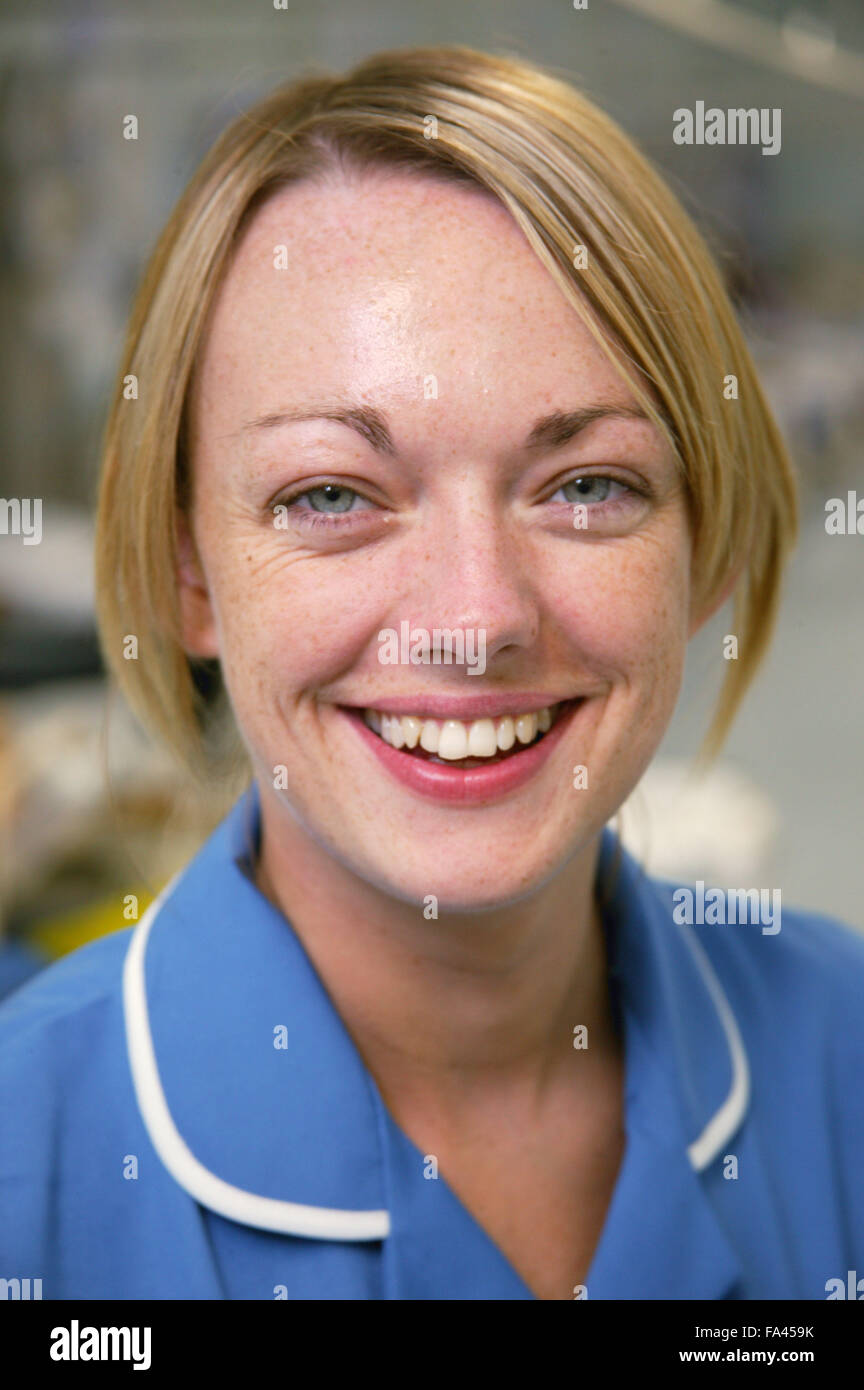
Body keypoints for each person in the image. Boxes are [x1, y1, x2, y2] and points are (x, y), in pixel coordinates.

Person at [1, 44, 861, 1302]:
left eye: (587, 485)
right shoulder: (33, 1171)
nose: (475, 620)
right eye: (333, 493)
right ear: (190, 576)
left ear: (708, 547)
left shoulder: (840, 1048)